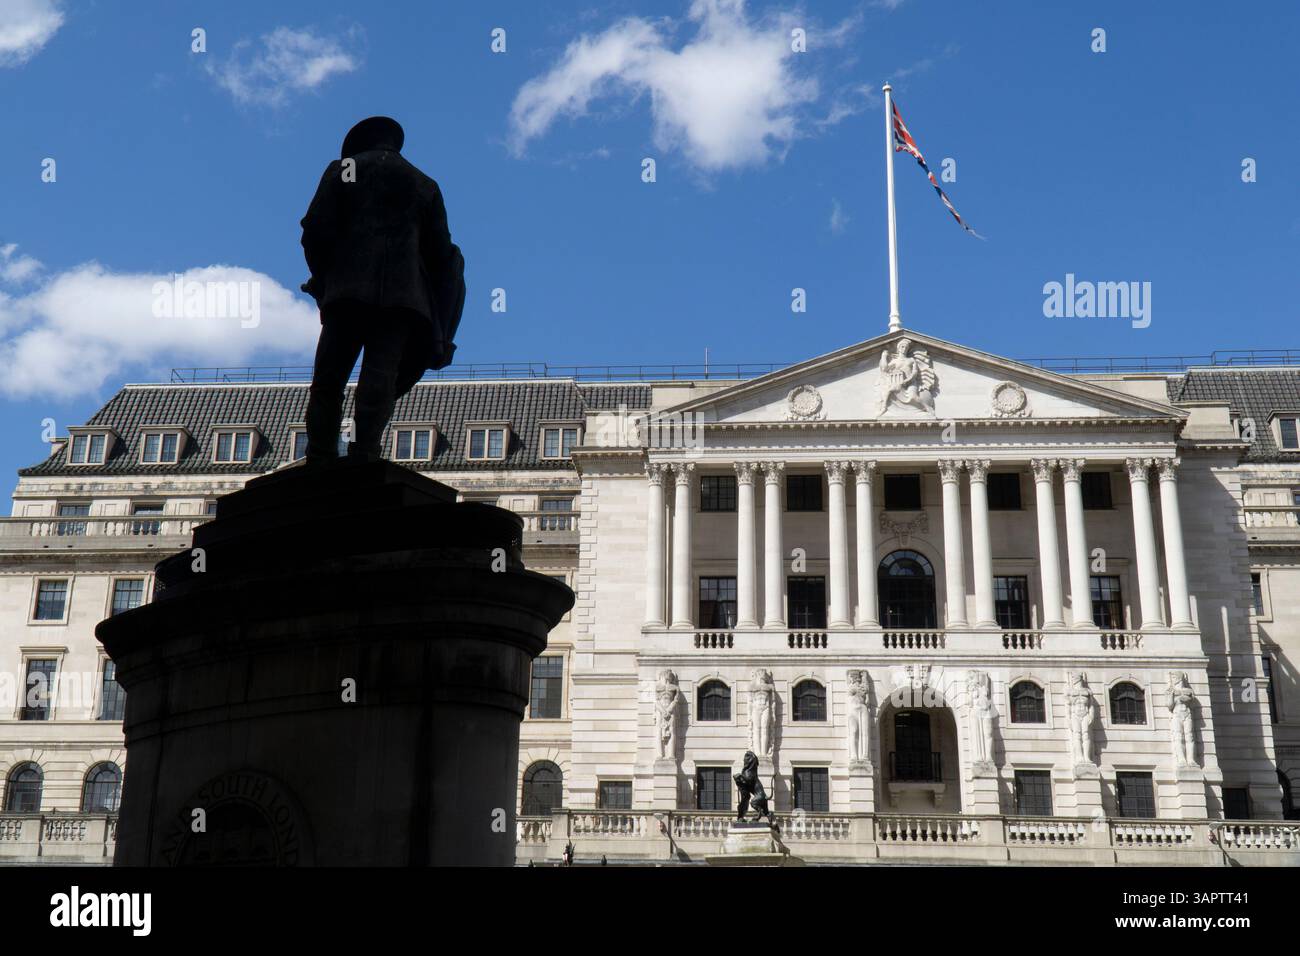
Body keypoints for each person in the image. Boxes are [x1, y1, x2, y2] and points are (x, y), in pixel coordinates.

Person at [299, 116, 465, 462]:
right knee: (380, 379)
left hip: (348, 292)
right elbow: (442, 256)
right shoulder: (424, 184)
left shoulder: (346, 168)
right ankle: (365, 453)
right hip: (403, 300)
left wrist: (323, 278)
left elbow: (315, 229)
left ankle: (320, 454)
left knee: (329, 380)